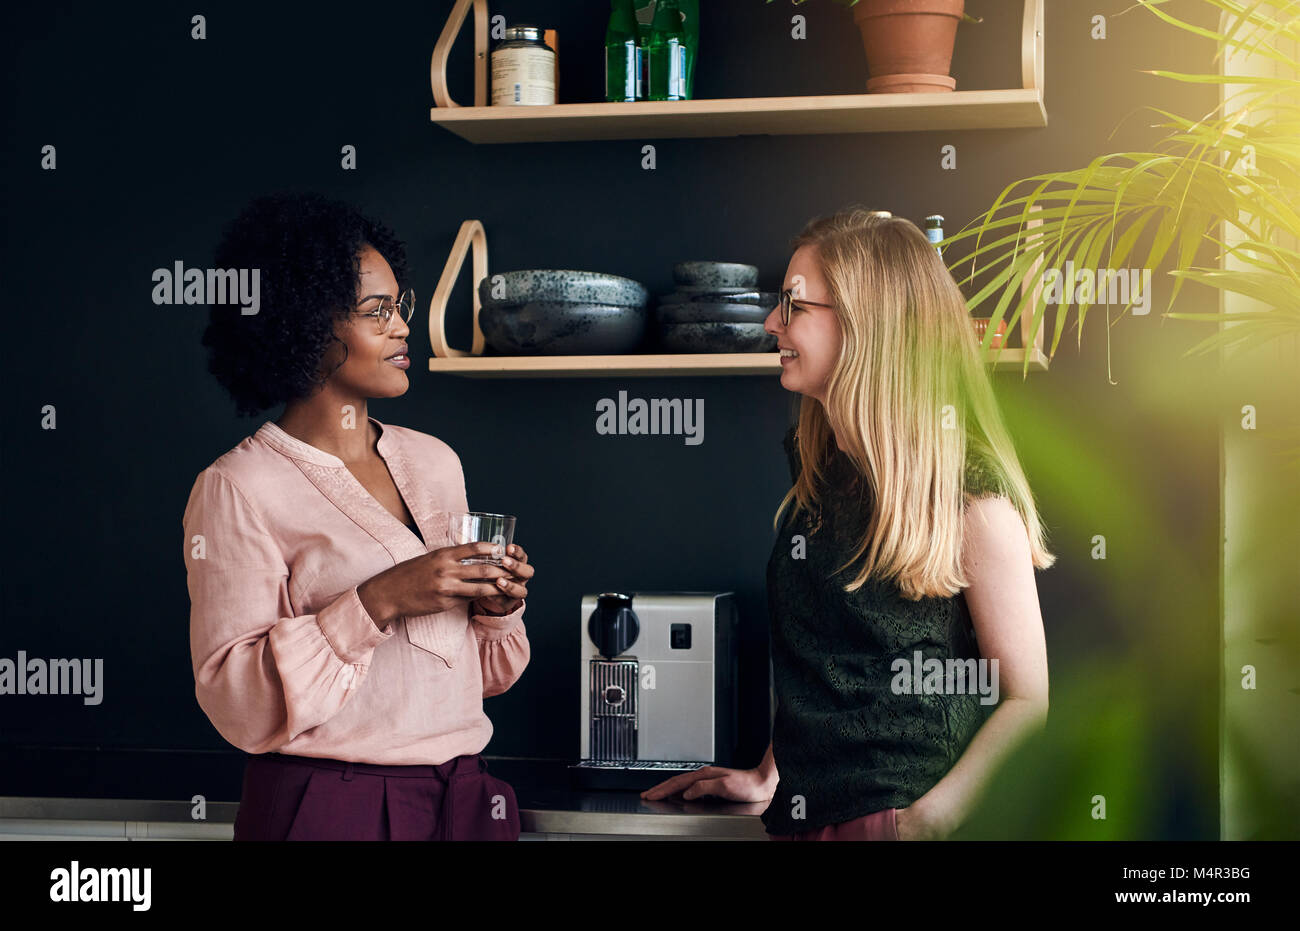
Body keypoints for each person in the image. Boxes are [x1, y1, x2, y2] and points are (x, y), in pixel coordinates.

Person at [642, 208, 1054, 841]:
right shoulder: (822, 480)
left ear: (866, 325)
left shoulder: (971, 496)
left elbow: (1027, 701)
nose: (771, 322)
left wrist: (923, 824)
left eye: (794, 305)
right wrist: (769, 774)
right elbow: (827, 662)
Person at [183, 192, 534, 841]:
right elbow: (237, 702)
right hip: (329, 807)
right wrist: (379, 599)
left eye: (400, 306)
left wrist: (495, 608)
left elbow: (478, 678)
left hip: (463, 801)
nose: (402, 327)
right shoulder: (237, 487)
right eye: (378, 311)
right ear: (306, 327)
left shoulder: (435, 462)